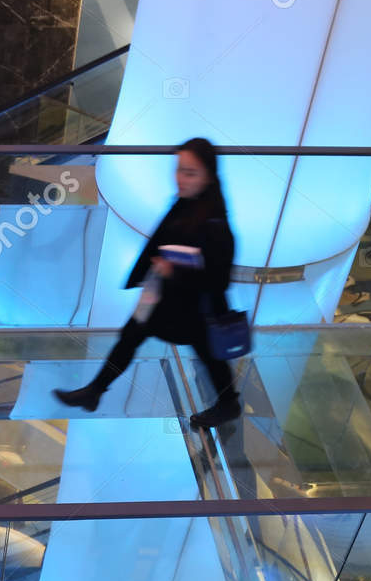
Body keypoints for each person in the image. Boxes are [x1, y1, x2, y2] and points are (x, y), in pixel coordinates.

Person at [54, 137, 243, 428]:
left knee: (209, 355)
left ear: (208, 176)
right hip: (165, 298)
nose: (179, 178)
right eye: (179, 169)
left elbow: (218, 280)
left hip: (194, 309)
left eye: (190, 173)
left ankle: (229, 404)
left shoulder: (215, 223)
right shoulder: (186, 204)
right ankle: (94, 391)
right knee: (131, 336)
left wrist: (173, 271)